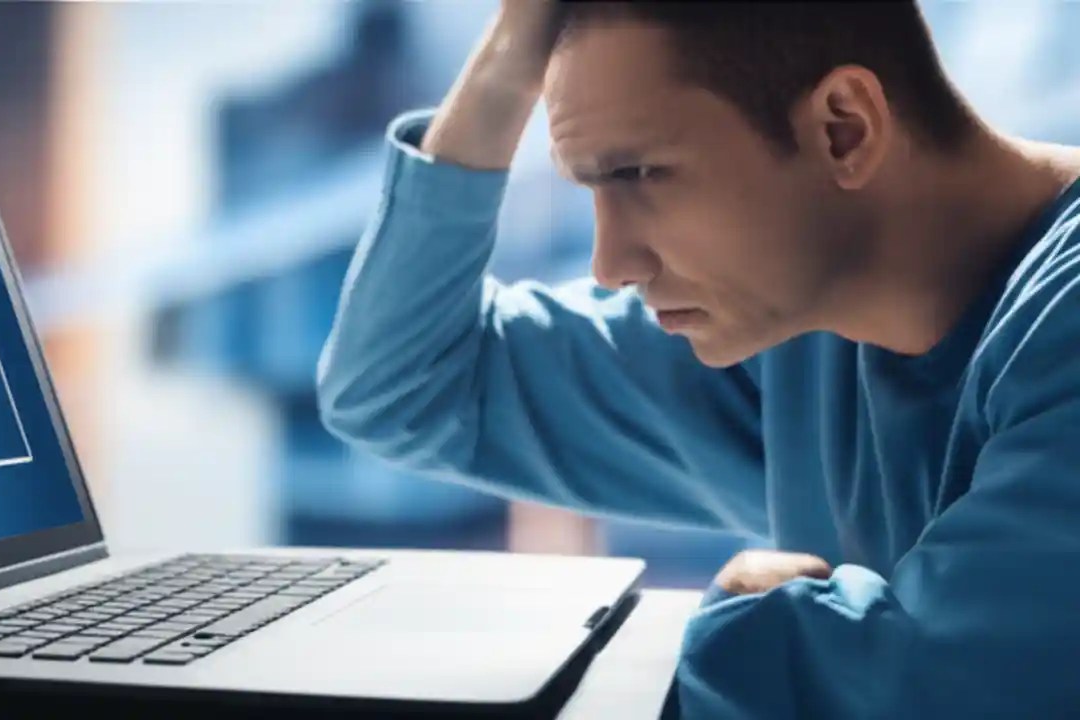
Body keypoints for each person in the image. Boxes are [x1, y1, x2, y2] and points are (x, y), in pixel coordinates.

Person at [315, 1, 1080, 717]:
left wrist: (744, 612)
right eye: (590, 186)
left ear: (844, 129)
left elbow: (937, 692)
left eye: (642, 175)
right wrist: (510, 58)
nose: (611, 262)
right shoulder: (793, 329)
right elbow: (399, 383)